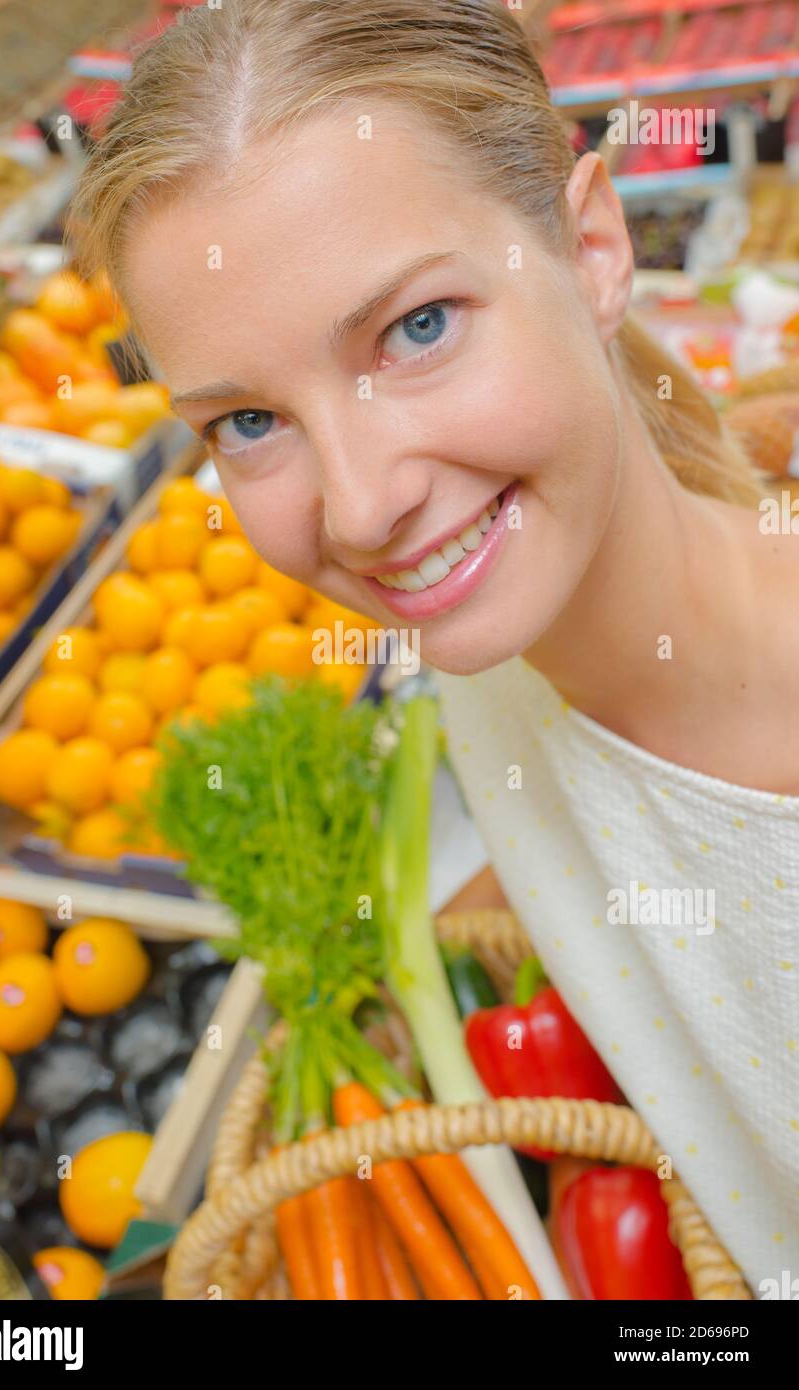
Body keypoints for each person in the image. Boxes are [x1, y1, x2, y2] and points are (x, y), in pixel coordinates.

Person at [69, 0, 799, 1293]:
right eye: (248, 419)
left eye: (416, 328)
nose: (357, 507)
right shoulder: (492, 670)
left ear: (590, 247)